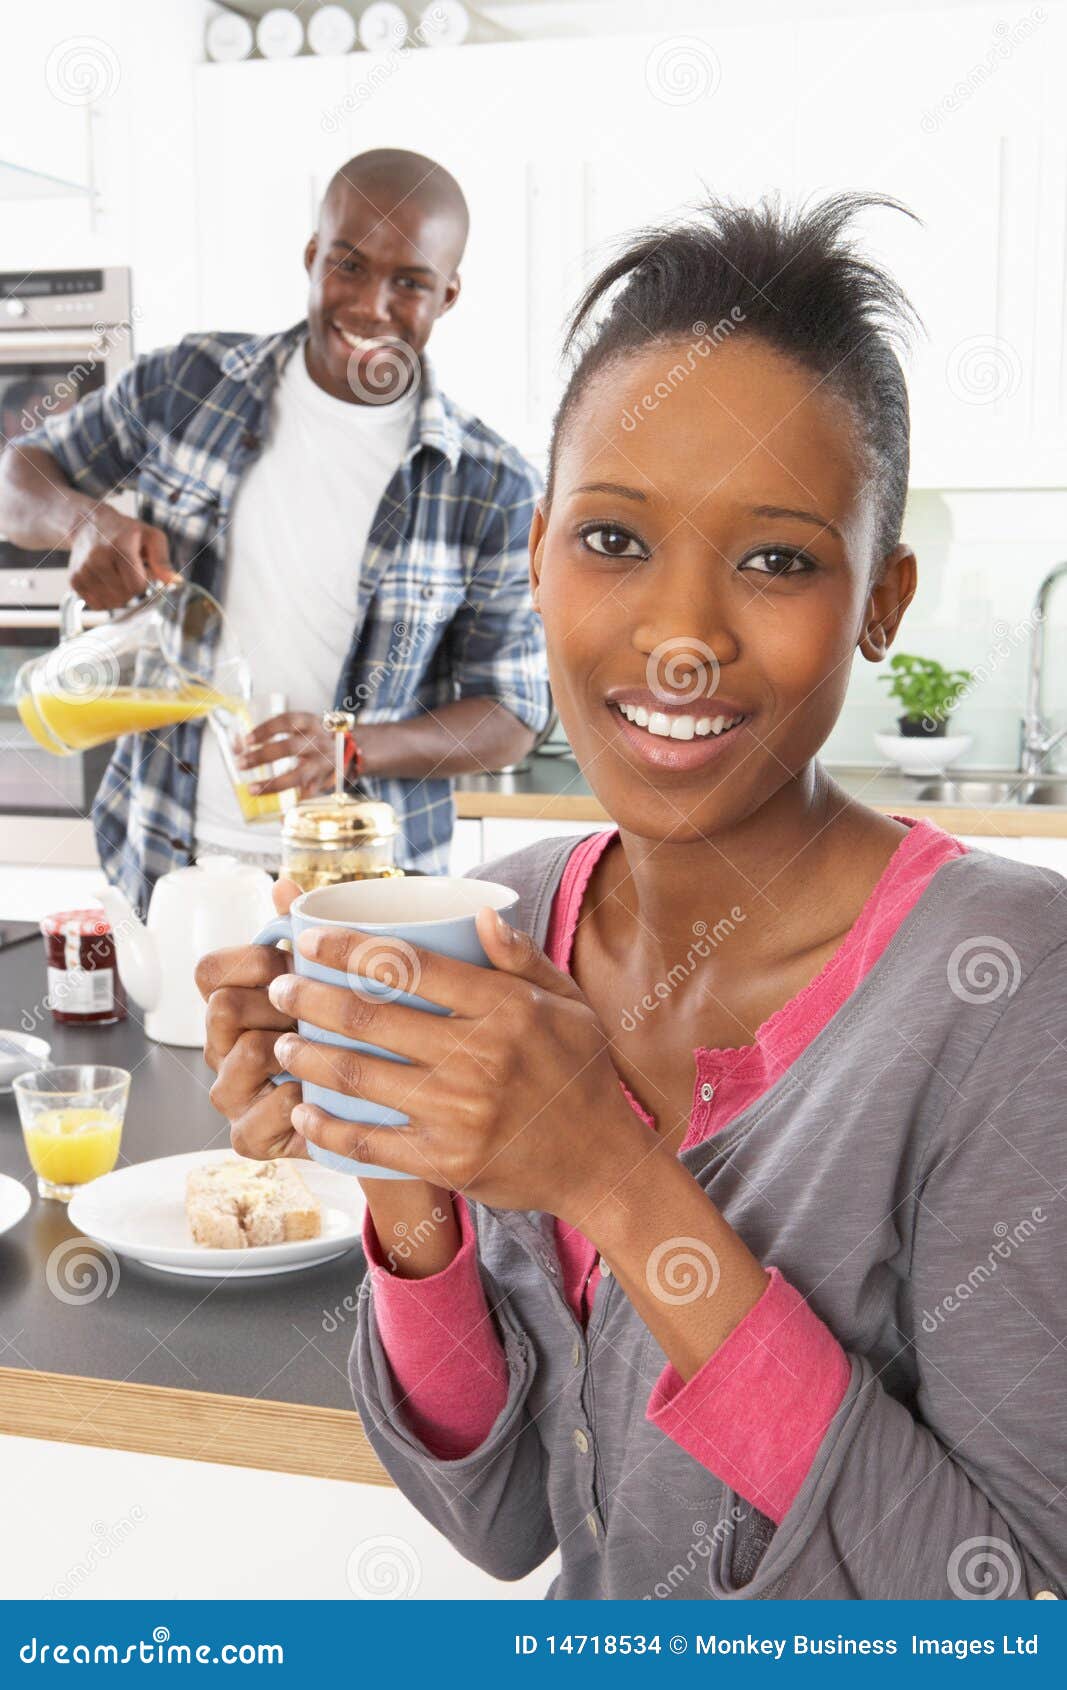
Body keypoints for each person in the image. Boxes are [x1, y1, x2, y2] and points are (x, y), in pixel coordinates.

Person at [194, 194, 1065, 1600]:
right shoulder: (503, 918)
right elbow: (503, 1517)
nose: (677, 640)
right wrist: (407, 1165)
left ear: (880, 600)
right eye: (612, 540)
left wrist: (610, 1174)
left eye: (775, 559)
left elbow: (1014, 1616)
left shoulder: (1010, 986)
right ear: (538, 551)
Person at [0, 150, 548, 905]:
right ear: (311, 256)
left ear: (447, 295)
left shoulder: (493, 485)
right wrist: (86, 520)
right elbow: (17, 477)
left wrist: (348, 749)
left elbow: (511, 715)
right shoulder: (188, 384)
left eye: (410, 282)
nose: (370, 306)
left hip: (365, 885)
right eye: (348, 266)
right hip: (164, 864)